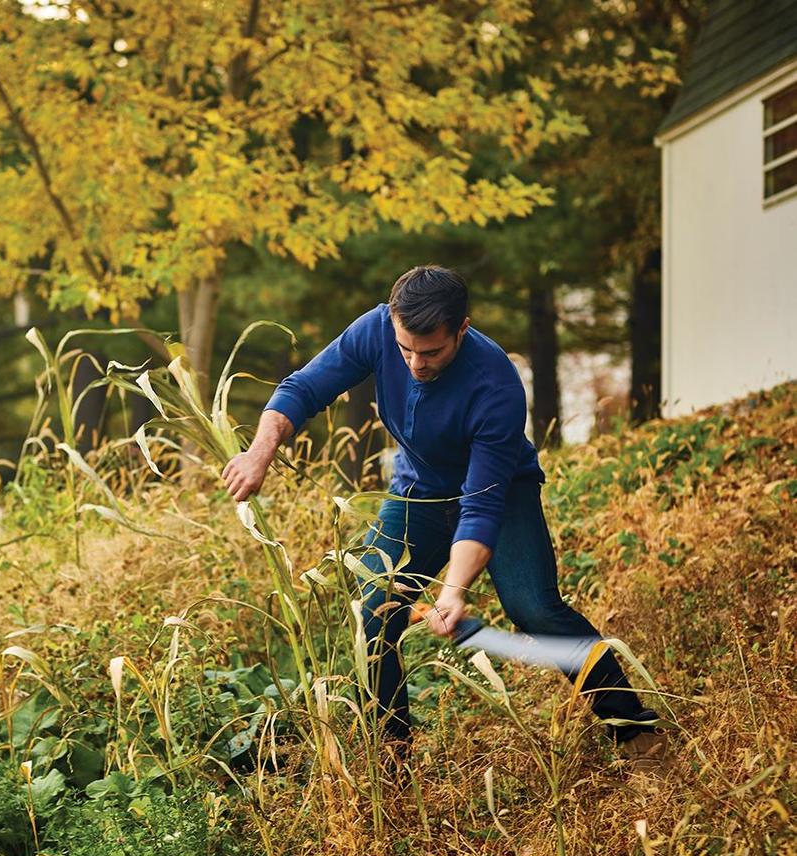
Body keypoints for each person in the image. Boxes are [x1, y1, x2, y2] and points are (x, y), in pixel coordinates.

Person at [222, 265, 668, 776]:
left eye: (431, 352)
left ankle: (634, 730)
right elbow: (303, 388)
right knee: (374, 612)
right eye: (406, 348)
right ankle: (394, 758)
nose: (415, 363)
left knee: (535, 609)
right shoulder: (376, 329)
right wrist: (259, 453)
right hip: (418, 490)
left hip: (501, 494)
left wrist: (453, 590)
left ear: (462, 328)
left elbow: (478, 510)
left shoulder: (495, 384)